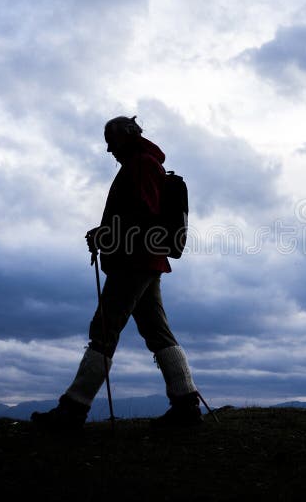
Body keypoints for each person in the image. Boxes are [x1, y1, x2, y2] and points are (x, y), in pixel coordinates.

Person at [31, 116, 202, 431]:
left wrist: (104, 234)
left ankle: (72, 411)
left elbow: (142, 214)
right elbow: (143, 215)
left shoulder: (140, 165)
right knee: (156, 332)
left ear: (126, 137)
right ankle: (186, 404)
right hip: (146, 260)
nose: (109, 149)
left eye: (111, 141)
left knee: (104, 329)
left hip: (134, 261)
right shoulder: (146, 164)